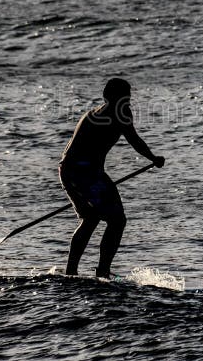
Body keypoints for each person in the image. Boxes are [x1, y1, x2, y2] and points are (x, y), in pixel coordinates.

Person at [58, 78, 165, 278]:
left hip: (67, 171)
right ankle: (103, 272)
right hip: (85, 173)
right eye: (126, 95)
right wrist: (153, 158)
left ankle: (71, 272)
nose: (130, 99)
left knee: (90, 219)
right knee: (117, 221)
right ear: (116, 96)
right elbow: (134, 139)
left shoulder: (92, 113)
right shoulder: (120, 113)